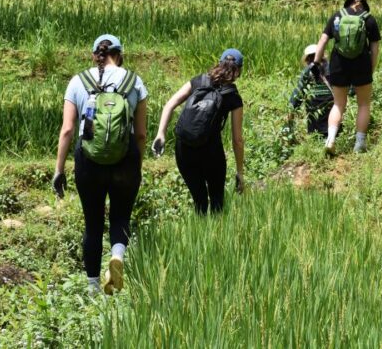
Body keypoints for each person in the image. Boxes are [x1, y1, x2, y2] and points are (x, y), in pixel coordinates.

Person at [52, 34, 148, 296]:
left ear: (96, 54)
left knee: (92, 224)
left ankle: (94, 288)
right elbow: (140, 134)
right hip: (124, 159)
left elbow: (68, 130)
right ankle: (117, 255)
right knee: (120, 216)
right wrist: (136, 166)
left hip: (89, 160)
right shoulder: (134, 81)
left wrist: (59, 170)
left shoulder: (78, 81)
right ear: (120, 54)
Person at [152, 49, 245, 215]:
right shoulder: (233, 96)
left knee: (199, 202)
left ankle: (199, 235)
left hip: (184, 149)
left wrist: (161, 134)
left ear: (219, 63)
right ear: (238, 70)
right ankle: (216, 239)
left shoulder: (199, 80)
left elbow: (170, 104)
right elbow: (237, 140)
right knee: (217, 203)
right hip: (212, 153)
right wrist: (239, 172)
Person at [313, 0, 381, 154]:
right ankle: (359, 144)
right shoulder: (369, 19)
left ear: (349, 4)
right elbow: (375, 50)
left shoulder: (337, 16)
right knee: (363, 104)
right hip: (361, 65)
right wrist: (370, 70)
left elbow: (322, 41)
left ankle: (330, 139)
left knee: (338, 104)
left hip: (338, 65)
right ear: (363, 6)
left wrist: (316, 63)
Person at [287, 44, 334, 138]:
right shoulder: (332, 67)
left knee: (316, 136)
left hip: (314, 108)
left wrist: (291, 110)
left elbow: (299, 92)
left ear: (307, 59)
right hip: (332, 105)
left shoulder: (307, 71)